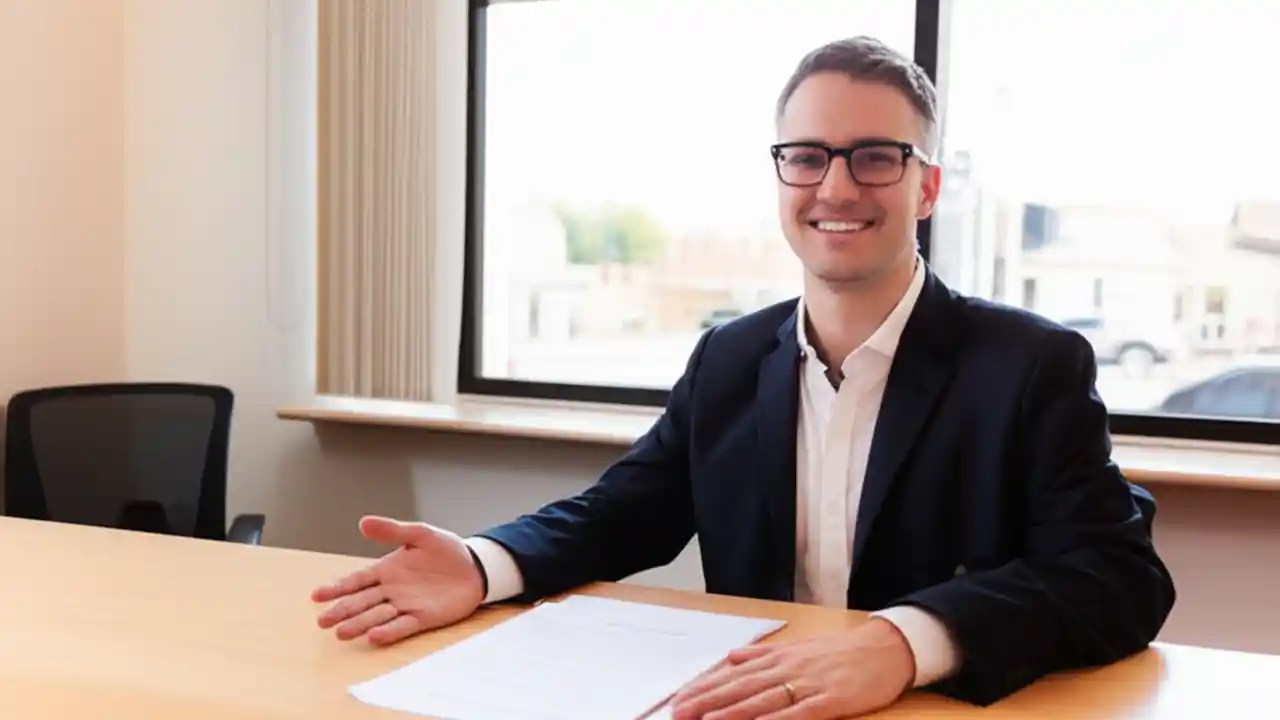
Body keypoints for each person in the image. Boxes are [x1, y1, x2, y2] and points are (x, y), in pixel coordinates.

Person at [312, 36, 1175, 718]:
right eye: (808, 156)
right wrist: (484, 562)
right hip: (755, 706)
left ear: (928, 186)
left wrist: (906, 641)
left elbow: (1118, 578)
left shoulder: (1029, 365)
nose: (837, 184)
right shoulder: (730, 357)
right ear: (781, 175)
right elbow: (627, 513)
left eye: (876, 156)